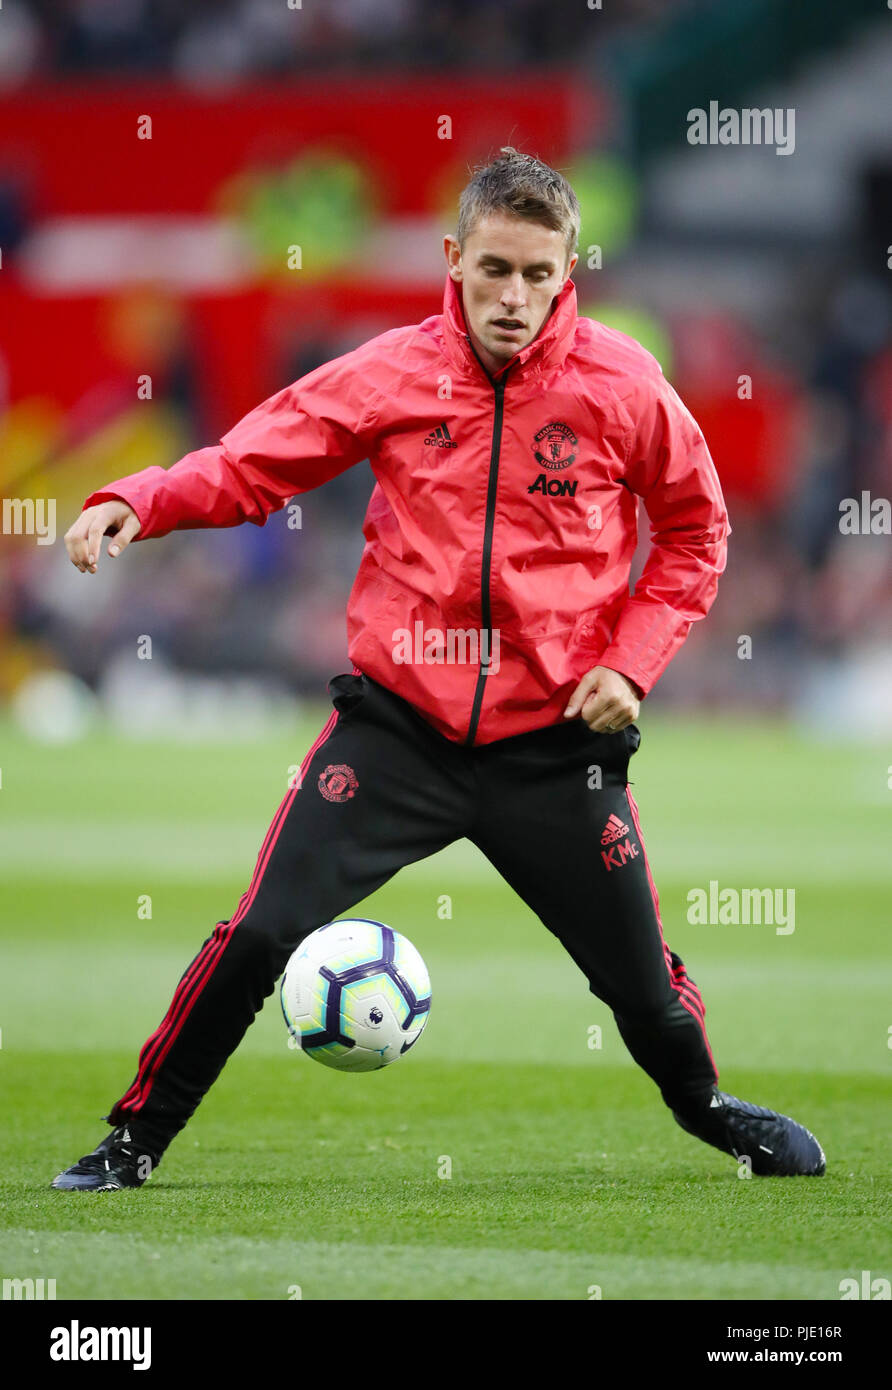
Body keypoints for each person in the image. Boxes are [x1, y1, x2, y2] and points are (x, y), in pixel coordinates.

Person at [55, 147, 824, 1190]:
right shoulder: (391, 372)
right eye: (495, 269)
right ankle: (134, 1140)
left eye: (536, 275)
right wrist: (138, 499)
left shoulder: (623, 387)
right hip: (397, 731)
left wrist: (631, 667)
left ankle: (708, 1108)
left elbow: (695, 534)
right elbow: (248, 465)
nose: (513, 297)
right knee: (263, 928)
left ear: (567, 275)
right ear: (454, 258)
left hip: (555, 745)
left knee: (642, 991)